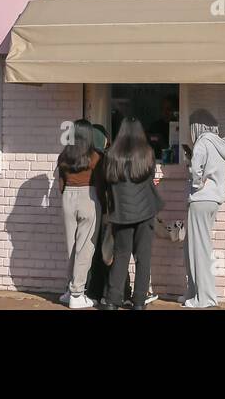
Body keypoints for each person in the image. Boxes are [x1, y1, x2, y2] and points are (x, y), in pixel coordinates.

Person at [101, 118, 164, 310]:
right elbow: (151, 176)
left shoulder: (112, 155)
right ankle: (138, 302)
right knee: (142, 258)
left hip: (121, 213)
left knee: (120, 256)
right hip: (145, 211)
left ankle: (112, 301)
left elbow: (108, 180)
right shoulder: (146, 153)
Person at [182, 109, 225, 309]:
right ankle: (195, 292)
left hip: (200, 200)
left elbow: (195, 170)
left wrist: (196, 182)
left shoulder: (202, 142)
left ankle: (204, 298)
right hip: (214, 200)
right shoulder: (220, 144)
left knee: (198, 250)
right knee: (199, 247)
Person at [56, 119, 102, 309]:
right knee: (85, 248)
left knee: (71, 247)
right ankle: (77, 292)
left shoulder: (64, 156)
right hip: (88, 196)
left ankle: (69, 289)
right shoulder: (96, 156)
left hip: (68, 197)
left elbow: (60, 184)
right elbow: (100, 182)